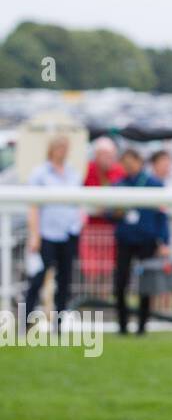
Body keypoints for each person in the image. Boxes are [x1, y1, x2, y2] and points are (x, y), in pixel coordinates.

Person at [110, 148, 170, 334]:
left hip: (146, 240)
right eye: (124, 163)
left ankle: (142, 326)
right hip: (125, 240)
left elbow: (162, 216)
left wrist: (164, 241)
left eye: (130, 162)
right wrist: (115, 213)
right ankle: (122, 325)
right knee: (120, 283)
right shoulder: (118, 185)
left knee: (146, 284)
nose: (128, 167)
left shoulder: (153, 184)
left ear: (138, 161)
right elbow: (110, 213)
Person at [24, 135, 82, 325]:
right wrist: (35, 235)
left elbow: (77, 203)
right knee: (38, 279)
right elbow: (33, 206)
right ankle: (26, 321)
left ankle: (58, 324)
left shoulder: (72, 173)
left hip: (68, 233)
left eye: (65, 147)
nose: (63, 151)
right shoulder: (40, 173)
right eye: (59, 147)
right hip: (46, 234)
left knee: (64, 281)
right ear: (51, 149)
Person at [80, 136, 124, 290]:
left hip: (112, 228)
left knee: (108, 269)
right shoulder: (87, 170)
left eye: (111, 155)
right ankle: (92, 303)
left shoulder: (119, 171)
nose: (108, 159)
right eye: (104, 155)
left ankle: (103, 305)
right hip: (91, 227)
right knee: (92, 269)